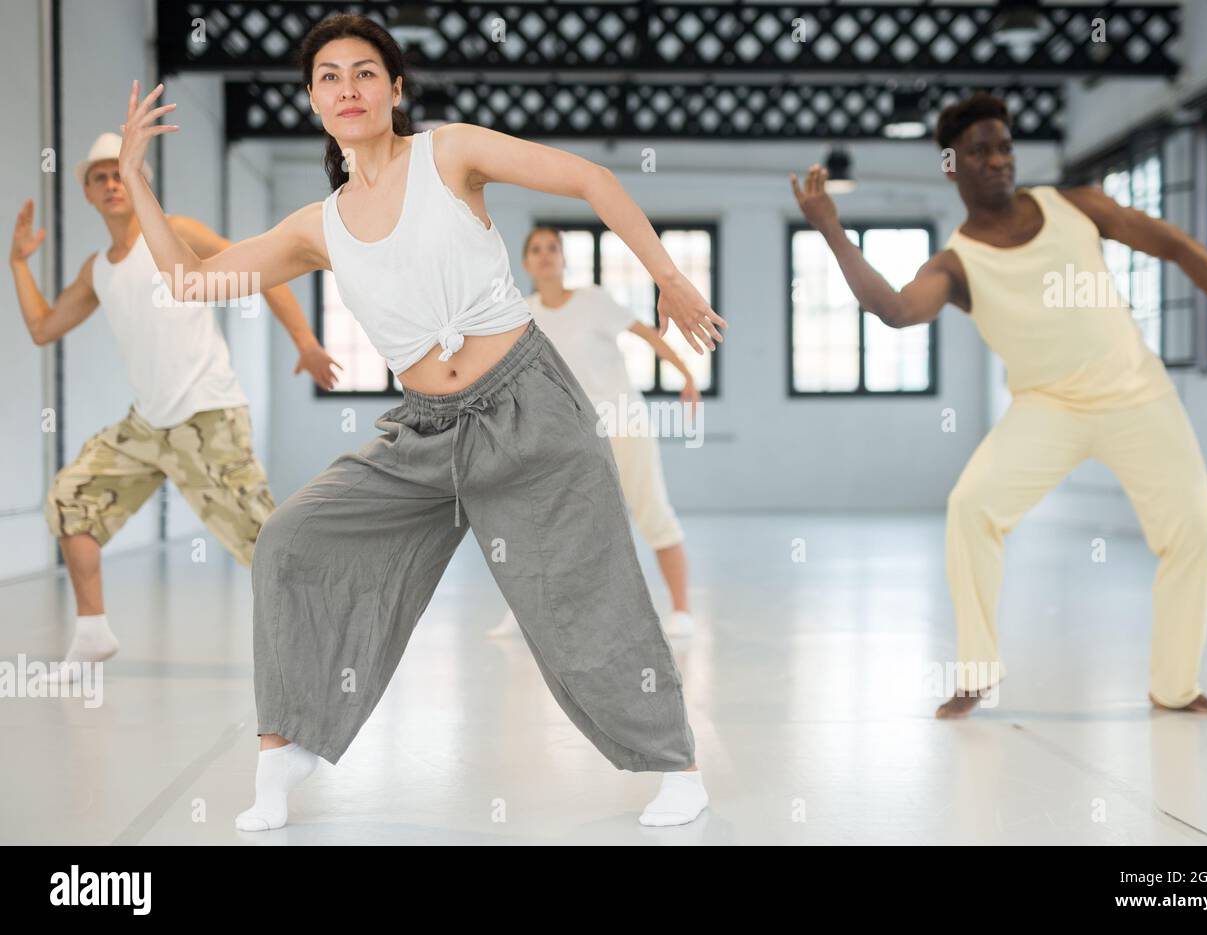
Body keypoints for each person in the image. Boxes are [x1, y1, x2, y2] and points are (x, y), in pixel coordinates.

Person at [116, 13, 727, 830]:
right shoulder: (317, 226)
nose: (348, 88)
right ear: (313, 101)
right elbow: (190, 281)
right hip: (425, 428)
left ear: (395, 89)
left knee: (587, 596)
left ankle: (675, 764)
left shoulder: (451, 153)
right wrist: (137, 177)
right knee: (290, 538)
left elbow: (589, 179)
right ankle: (288, 741)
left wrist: (666, 277)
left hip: (529, 409)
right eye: (329, 76)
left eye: (365, 72)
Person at [790, 92, 1207, 719]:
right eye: (979, 151)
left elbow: (1173, 245)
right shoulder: (956, 264)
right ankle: (977, 672)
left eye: (1005, 146)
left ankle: (1175, 686)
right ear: (952, 167)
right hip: (1048, 408)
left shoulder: (1075, 205)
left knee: (1194, 530)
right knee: (971, 506)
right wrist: (830, 229)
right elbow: (895, 311)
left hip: (1138, 395)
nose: (999, 160)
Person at [10, 132, 337, 676]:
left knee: (262, 540)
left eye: (121, 173)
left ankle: (320, 638)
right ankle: (92, 634)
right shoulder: (98, 270)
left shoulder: (175, 232)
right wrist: (19, 263)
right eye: (100, 178)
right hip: (147, 425)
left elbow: (261, 271)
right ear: (88, 193)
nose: (112, 183)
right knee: (71, 501)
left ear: (140, 181)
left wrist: (306, 342)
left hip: (208, 414)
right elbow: (44, 328)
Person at [485, 225, 699, 639]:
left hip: (624, 424)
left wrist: (686, 373)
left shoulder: (594, 302)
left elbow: (648, 335)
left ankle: (681, 610)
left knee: (652, 510)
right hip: (569, 435)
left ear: (564, 260)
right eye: (536, 249)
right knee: (543, 522)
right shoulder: (522, 315)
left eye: (553, 248)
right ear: (526, 263)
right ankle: (526, 613)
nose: (545, 255)